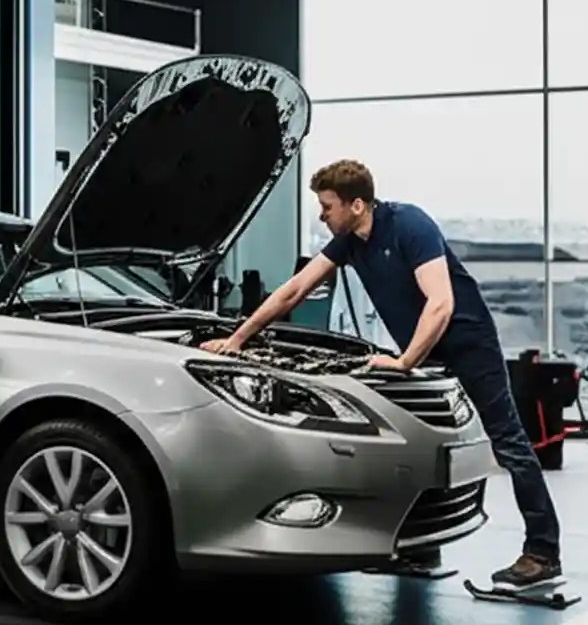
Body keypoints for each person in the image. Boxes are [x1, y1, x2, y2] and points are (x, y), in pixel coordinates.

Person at [200, 158, 562, 591]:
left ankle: (542, 553)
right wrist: (238, 340)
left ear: (356, 205)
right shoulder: (349, 241)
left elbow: (441, 303)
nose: (322, 215)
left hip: (467, 343)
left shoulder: (409, 224)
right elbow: (296, 289)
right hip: (420, 347)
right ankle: (420, 548)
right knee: (416, 442)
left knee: (509, 442)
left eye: (327, 206)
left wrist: (407, 361)